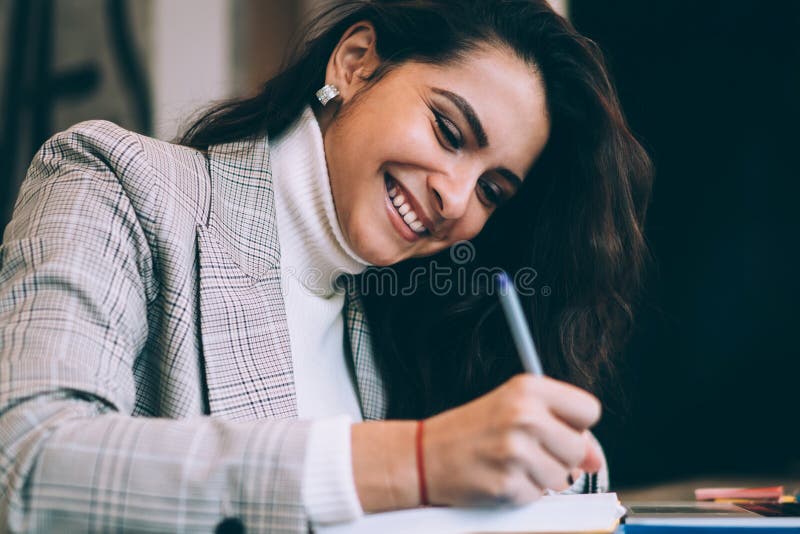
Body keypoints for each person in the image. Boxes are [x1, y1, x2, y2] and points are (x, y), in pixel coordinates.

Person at [0, 0, 652, 532]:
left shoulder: (399, 317)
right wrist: (416, 463)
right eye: (449, 133)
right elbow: (25, 464)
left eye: (492, 191)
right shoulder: (120, 183)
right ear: (356, 63)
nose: (456, 200)